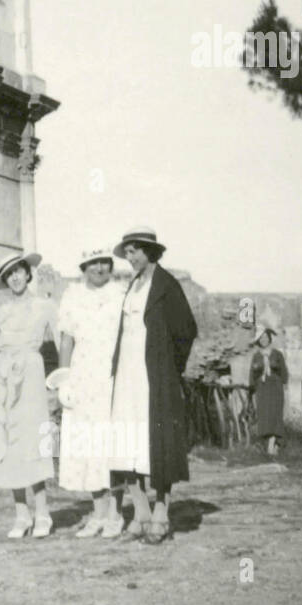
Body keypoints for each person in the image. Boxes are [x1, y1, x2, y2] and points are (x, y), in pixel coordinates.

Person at [109, 227, 198, 545]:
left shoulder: (166, 286)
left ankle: (161, 512)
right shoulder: (132, 287)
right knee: (127, 440)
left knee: (157, 441)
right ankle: (140, 513)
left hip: (154, 376)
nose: (129, 257)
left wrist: (169, 366)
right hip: (127, 374)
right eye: (127, 252)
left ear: (150, 251)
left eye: (134, 251)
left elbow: (186, 329)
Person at [0, 251, 57, 538]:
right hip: (2, 377)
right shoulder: (0, 310)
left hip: (31, 376)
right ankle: (21, 514)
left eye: (18, 271)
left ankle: (43, 513)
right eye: (8, 274)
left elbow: (64, 342)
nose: (14, 278)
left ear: (28, 273)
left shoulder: (44, 306)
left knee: (32, 440)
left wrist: (64, 380)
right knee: (8, 442)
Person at [55, 248, 126, 537]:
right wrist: (64, 380)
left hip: (113, 377)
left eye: (104, 263)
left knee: (112, 444)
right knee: (89, 446)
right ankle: (97, 513)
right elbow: (67, 340)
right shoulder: (72, 296)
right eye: (93, 263)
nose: (99, 268)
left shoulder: (121, 293)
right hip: (83, 377)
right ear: (84, 266)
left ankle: (116, 514)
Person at [249, 325, 288, 456]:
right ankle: (269, 444)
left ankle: (274, 444)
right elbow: (252, 375)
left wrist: (281, 383)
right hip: (262, 388)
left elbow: (284, 373)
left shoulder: (277, 354)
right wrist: (253, 387)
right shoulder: (256, 356)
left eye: (266, 337)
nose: (264, 340)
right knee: (264, 414)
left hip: (275, 387)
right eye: (261, 338)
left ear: (270, 338)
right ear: (259, 341)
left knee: (275, 414)